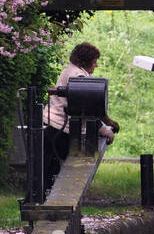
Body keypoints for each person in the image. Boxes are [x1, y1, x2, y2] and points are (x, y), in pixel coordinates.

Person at [42, 43, 118, 189]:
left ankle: (45, 199)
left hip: (54, 124)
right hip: (60, 128)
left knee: (49, 168)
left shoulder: (72, 70)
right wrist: (103, 129)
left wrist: (106, 121)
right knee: (55, 170)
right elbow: (86, 109)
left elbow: (88, 106)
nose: (96, 65)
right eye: (94, 61)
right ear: (85, 61)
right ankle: (49, 203)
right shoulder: (78, 76)